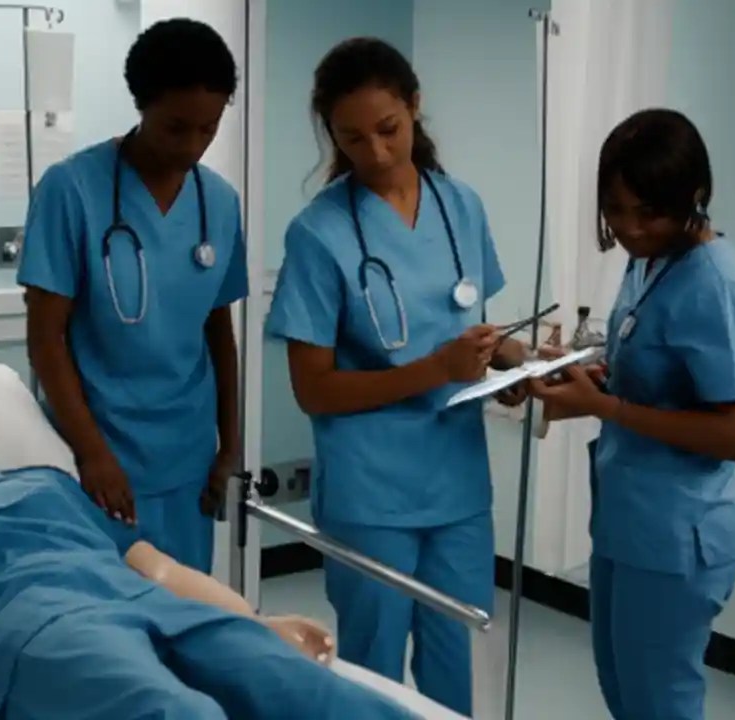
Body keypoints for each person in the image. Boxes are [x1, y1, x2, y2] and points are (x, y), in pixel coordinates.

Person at [0, 362, 423, 720]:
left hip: (151, 606)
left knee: (313, 694)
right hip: (38, 629)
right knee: (179, 715)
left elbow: (157, 569)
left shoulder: (47, 481)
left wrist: (254, 622)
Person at [264, 37, 525, 716]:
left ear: (415, 107)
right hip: (370, 490)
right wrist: (434, 370)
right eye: (352, 140)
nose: (375, 154)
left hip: (458, 484)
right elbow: (313, 388)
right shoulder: (318, 234)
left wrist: (517, 363)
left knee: (455, 664)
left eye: (389, 131)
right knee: (371, 672)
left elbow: (472, 329)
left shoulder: (459, 206)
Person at [529, 108, 735, 719]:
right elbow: (654, 371)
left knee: (659, 699)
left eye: (648, 212)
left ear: (694, 196)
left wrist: (604, 404)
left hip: (676, 534)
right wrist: (586, 369)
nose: (630, 228)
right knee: (621, 685)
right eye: (615, 208)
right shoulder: (651, 259)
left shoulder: (716, 283)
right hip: (630, 518)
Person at [18, 18, 247, 573]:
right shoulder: (70, 189)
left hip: (188, 458)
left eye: (209, 129)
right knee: (115, 621)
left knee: (191, 615)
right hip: (98, 456)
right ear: (141, 106)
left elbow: (219, 332)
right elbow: (45, 340)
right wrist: (93, 454)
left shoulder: (218, 200)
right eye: (176, 127)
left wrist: (230, 447)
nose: (193, 145)